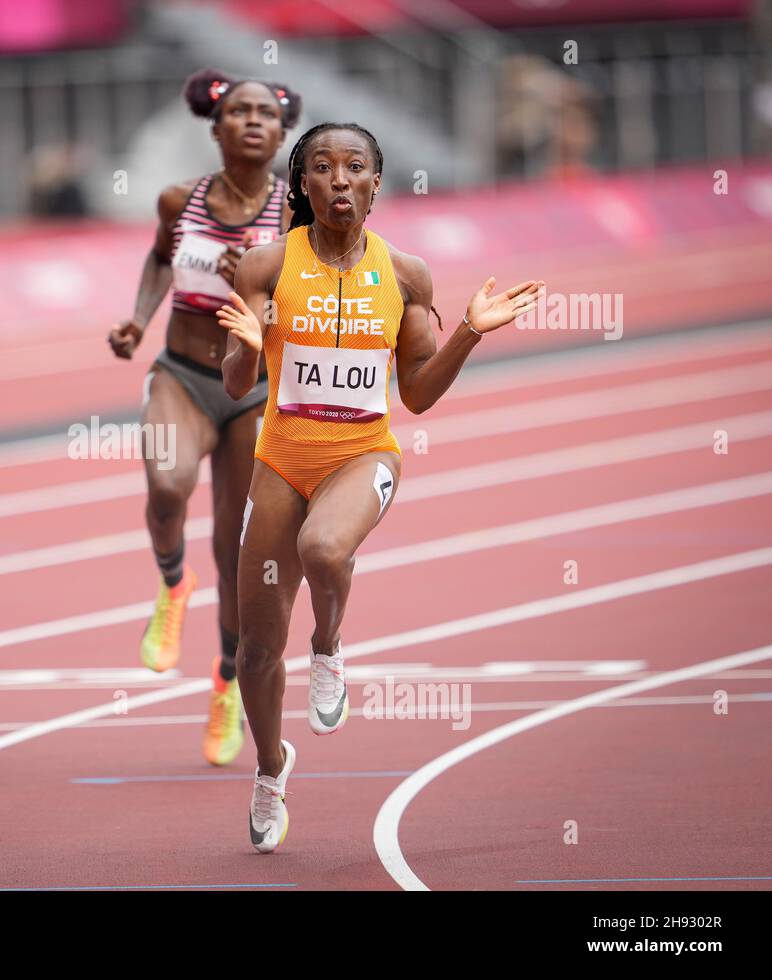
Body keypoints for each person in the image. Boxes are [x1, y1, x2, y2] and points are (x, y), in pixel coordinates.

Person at [216, 122, 543, 850]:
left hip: (365, 454)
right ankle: (271, 769)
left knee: (327, 549)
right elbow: (238, 384)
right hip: (281, 462)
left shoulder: (407, 275)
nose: (339, 180)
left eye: (354, 167)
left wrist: (468, 330)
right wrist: (242, 348)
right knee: (256, 652)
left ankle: (328, 648)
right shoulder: (265, 266)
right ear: (301, 185)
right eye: (323, 168)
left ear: (375, 184)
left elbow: (417, 396)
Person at [108, 69, 301, 765]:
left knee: (235, 550)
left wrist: (254, 283)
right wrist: (135, 321)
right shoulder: (177, 200)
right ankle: (170, 583)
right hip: (183, 376)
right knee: (166, 485)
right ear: (215, 129)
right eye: (238, 112)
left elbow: (307, 309)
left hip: (252, 389)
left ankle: (223, 683)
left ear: (282, 136)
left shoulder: (293, 216)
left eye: (266, 115)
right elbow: (160, 261)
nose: (252, 121)